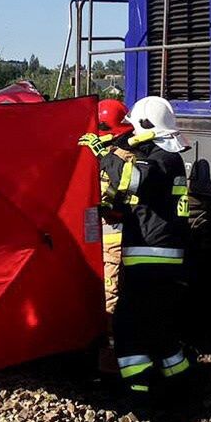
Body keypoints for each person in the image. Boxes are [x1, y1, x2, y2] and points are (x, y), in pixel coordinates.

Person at [98, 96, 193, 395]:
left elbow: (130, 180)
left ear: (147, 126)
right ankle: (179, 377)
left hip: (150, 253)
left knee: (127, 321)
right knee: (158, 321)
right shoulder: (167, 157)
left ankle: (137, 388)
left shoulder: (160, 161)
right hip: (163, 253)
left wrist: (105, 155)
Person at [77, 99, 135, 319]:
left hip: (114, 236)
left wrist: (104, 157)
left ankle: (111, 349)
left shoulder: (124, 158)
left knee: (110, 294)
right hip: (98, 235)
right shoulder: (103, 155)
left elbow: (121, 193)